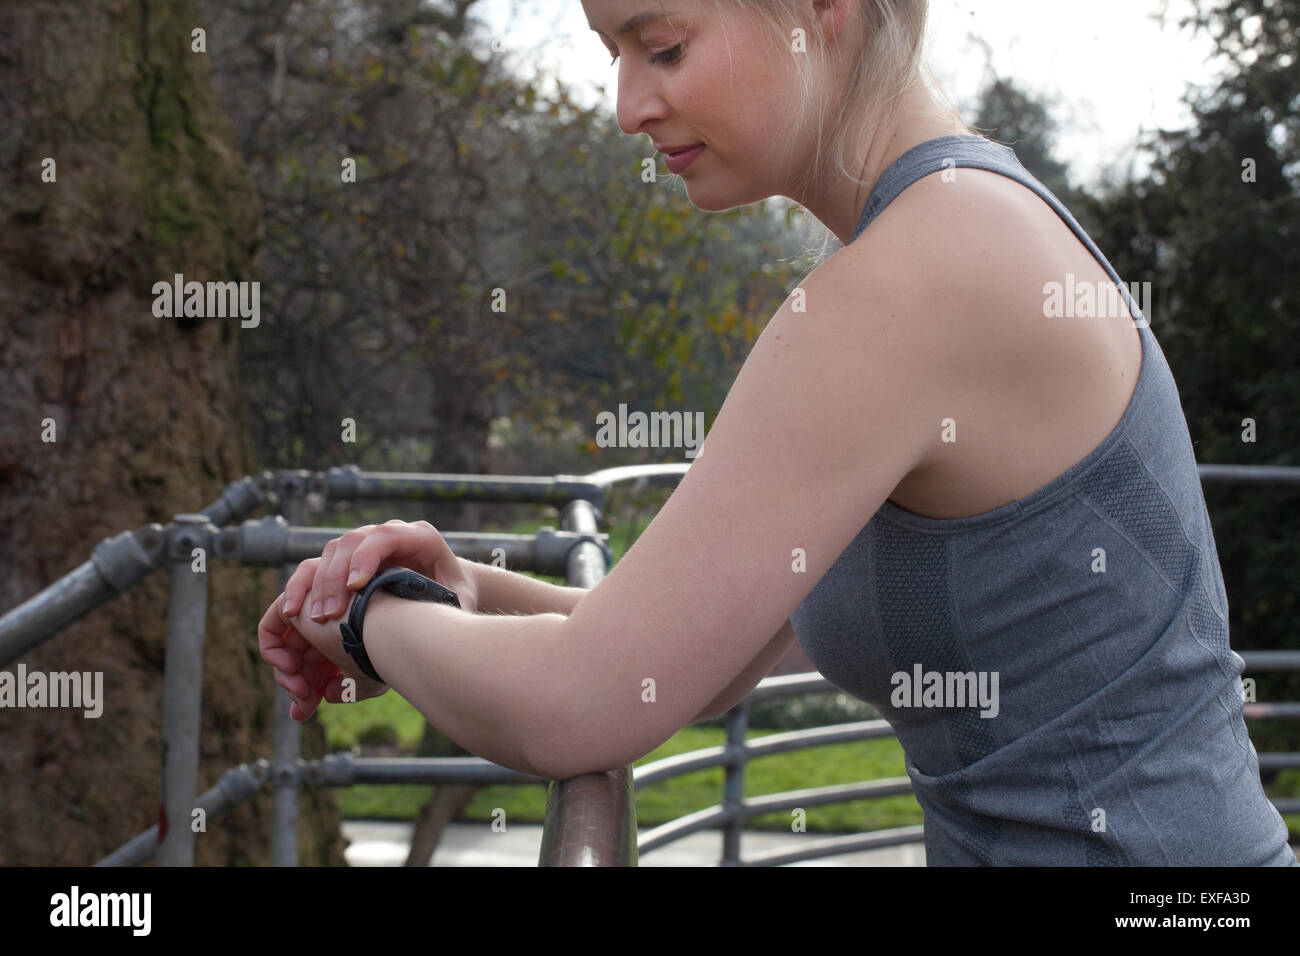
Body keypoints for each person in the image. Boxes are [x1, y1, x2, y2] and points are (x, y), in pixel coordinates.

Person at [257, 0, 1296, 865]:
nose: (625, 106)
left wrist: (358, 616)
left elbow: (578, 706)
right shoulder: (953, 224)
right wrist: (466, 588)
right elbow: (693, 655)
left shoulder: (914, 278)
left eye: (659, 46)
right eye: (610, 55)